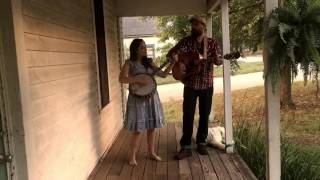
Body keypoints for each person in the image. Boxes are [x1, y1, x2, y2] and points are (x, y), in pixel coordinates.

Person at [166, 15, 223, 160]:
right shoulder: (186, 42)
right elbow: (170, 54)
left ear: (203, 26)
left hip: (206, 84)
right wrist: (179, 61)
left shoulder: (211, 44)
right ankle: (185, 146)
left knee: (204, 115)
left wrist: (217, 60)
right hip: (190, 84)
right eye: (192, 25)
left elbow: (219, 60)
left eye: (196, 25)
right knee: (188, 115)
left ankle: (201, 142)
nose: (193, 27)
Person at [119, 39, 177, 166]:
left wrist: (172, 63)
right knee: (138, 129)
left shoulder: (149, 63)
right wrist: (138, 79)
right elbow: (122, 78)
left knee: (151, 127)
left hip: (151, 97)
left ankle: (151, 152)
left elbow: (163, 74)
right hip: (137, 98)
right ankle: (132, 156)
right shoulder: (130, 63)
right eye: (141, 47)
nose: (145, 49)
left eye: (145, 47)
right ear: (135, 49)